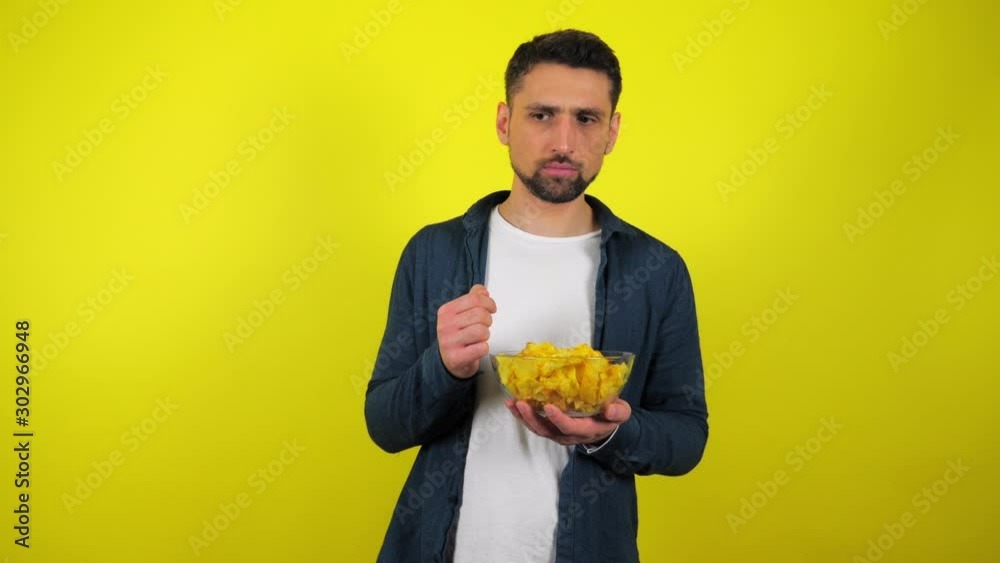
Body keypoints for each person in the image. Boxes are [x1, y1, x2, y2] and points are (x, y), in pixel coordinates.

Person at [365, 29, 709, 563]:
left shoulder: (656, 269)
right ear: (505, 122)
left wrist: (608, 432)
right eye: (542, 115)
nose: (564, 143)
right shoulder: (434, 252)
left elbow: (687, 437)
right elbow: (384, 425)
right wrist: (446, 369)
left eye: (586, 119)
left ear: (612, 131)